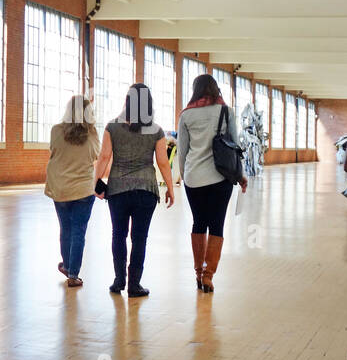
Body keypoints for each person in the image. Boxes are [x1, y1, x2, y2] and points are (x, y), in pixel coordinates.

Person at [94, 83, 175, 298]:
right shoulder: (156, 130)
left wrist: (95, 181)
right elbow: (163, 162)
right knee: (140, 238)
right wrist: (170, 187)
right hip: (146, 190)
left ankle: (118, 280)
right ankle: (134, 285)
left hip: (118, 189)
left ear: (127, 101)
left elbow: (104, 157)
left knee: (118, 234)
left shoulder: (112, 126)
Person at [177, 74, 247, 293]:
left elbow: (182, 151)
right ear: (216, 89)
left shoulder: (186, 115)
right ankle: (208, 276)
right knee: (216, 224)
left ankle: (198, 272)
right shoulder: (226, 111)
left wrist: (184, 176)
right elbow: (235, 146)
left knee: (198, 223)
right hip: (220, 178)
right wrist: (240, 175)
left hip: (194, 179)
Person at [45, 95, 100, 287]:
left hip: (60, 187)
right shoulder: (92, 133)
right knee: (79, 230)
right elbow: (95, 155)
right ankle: (73, 274)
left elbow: (53, 150)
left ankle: (68, 265)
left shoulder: (56, 130)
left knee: (65, 228)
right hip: (83, 189)